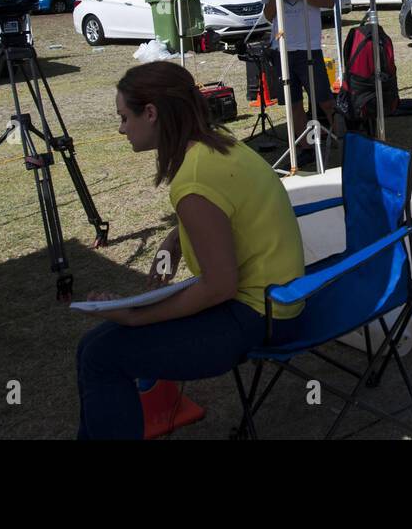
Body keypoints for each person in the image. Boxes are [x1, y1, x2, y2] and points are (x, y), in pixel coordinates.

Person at [76, 62, 304, 439]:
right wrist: (174, 241)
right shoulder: (220, 144)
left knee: (101, 355)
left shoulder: (193, 180)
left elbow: (219, 287)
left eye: (123, 117)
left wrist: (136, 316)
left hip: (260, 318)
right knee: (95, 347)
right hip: (276, 302)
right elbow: (227, 216)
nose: (121, 129)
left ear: (151, 113)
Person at [261, 0, 338, 161]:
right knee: (293, 102)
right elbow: (268, 15)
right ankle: (306, 147)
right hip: (282, 48)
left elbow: (329, 0)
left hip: (308, 46)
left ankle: (344, 137)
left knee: (324, 99)